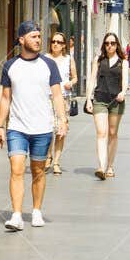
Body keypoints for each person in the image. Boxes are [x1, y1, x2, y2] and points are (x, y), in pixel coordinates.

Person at [0, 20, 68, 231]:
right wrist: (0, 126)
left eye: (38, 36)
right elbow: (5, 98)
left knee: (38, 171)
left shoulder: (49, 65)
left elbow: (56, 95)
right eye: (33, 36)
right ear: (21, 39)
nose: (38, 40)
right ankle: (16, 215)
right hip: (17, 127)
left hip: (42, 128)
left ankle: (36, 210)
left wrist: (61, 120)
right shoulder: (10, 66)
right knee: (16, 169)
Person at [88, 31, 130, 179]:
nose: (109, 46)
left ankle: (110, 166)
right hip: (100, 98)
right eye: (107, 43)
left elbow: (125, 80)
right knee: (101, 132)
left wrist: (123, 92)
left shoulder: (123, 62)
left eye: (112, 43)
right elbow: (92, 79)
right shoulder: (98, 60)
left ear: (117, 45)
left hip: (116, 100)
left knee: (112, 133)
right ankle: (101, 166)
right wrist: (88, 99)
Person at [44, 32, 77, 175]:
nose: (55, 44)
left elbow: (75, 77)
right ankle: (48, 156)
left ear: (64, 45)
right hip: (46, 98)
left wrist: (71, 82)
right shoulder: (44, 59)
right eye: (53, 41)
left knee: (60, 132)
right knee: (47, 130)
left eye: (59, 42)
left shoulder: (68, 59)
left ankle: (56, 161)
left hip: (63, 98)